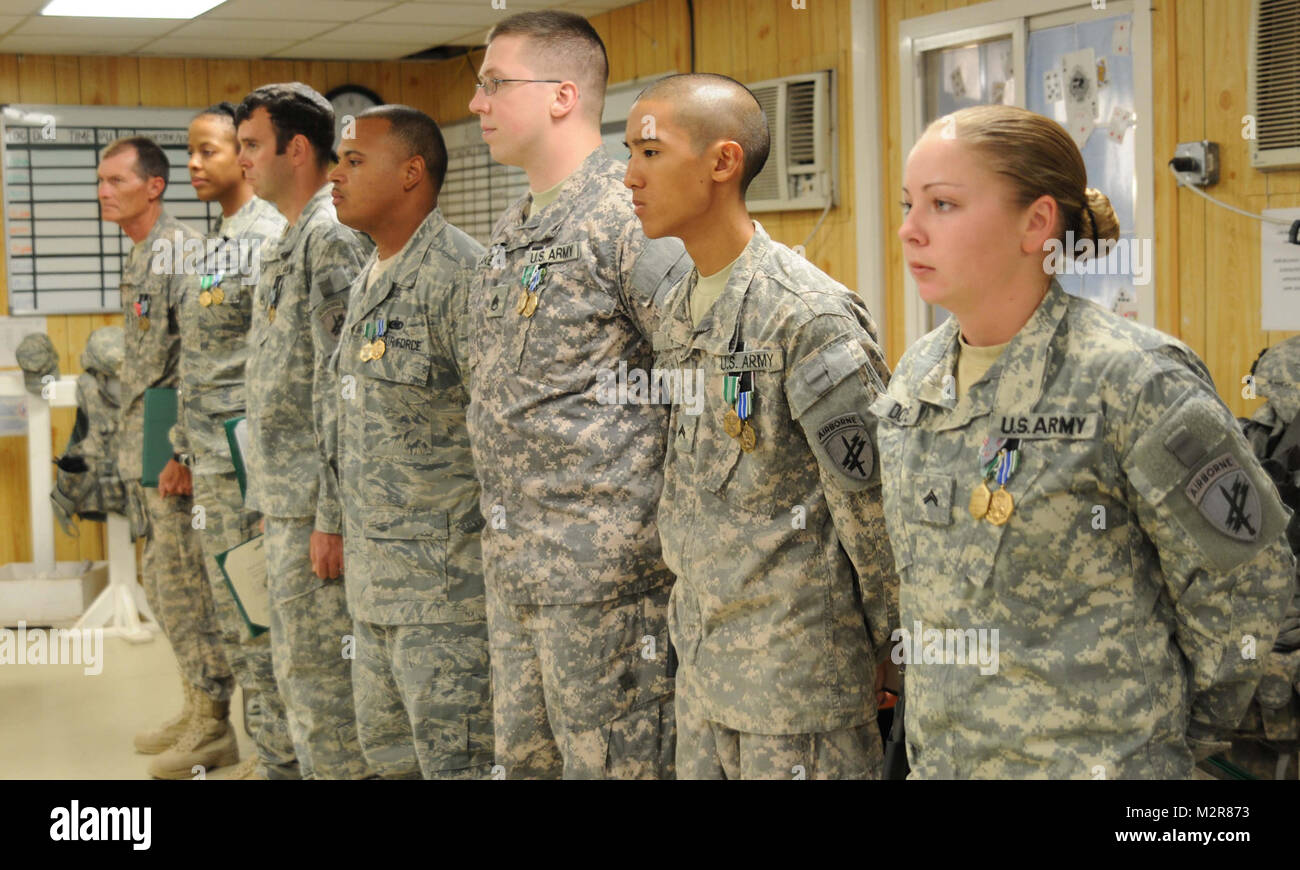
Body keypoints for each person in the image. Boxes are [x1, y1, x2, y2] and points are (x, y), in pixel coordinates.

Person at [876, 103, 1295, 779]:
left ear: (1036, 223)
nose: (910, 231)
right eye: (908, 204)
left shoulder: (1132, 379)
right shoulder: (917, 375)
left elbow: (1246, 578)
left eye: (943, 205)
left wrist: (1173, 735)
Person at [623, 73, 898, 779]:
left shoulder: (805, 315)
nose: (629, 176)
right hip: (706, 667)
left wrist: (894, 649)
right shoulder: (678, 303)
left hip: (799, 681)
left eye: (650, 154)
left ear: (722, 162)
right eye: (628, 153)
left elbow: (874, 507)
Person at [465, 10, 691, 778]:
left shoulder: (629, 215)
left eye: (495, 83)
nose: (476, 103)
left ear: (563, 95)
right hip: (518, 570)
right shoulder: (510, 229)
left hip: (608, 585)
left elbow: (700, 378)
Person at [325, 104, 493, 779]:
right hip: (375, 590)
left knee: (460, 765)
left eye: (354, 161)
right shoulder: (368, 274)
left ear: (411, 173)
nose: (335, 175)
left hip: (447, 598)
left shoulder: (461, 277)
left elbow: (500, 432)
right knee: (391, 764)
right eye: (337, 160)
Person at [155, 103, 298, 780]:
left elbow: (274, 362)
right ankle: (261, 748)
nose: (193, 164)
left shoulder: (270, 238)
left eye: (207, 150)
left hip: (250, 463)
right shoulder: (213, 245)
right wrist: (180, 448)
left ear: (244, 156)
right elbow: (198, 361)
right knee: (236, 615)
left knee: (263, 615)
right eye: (189, 152)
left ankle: (283, 759)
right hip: (210, 462)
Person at [235, 83, 372, 779]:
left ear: (297, 148)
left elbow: (341, 387)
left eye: (252, 145)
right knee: (298, 680)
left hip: (316, 511)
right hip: (286, 503)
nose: (241, 161)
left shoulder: (332, 237)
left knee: (325, 693)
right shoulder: (292, 237)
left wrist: (331, 512)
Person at [96, 136, 237, 778]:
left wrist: (178, 452)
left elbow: (197, 363)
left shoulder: (182, 253)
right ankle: (195, 704)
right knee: (166, 582)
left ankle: (212, 723)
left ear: (153, 186)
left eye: (117, 180)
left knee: (182, 584)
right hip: (147, 441)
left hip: (172, 446)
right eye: (101, 181)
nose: (105, 191)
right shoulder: (144, 254)